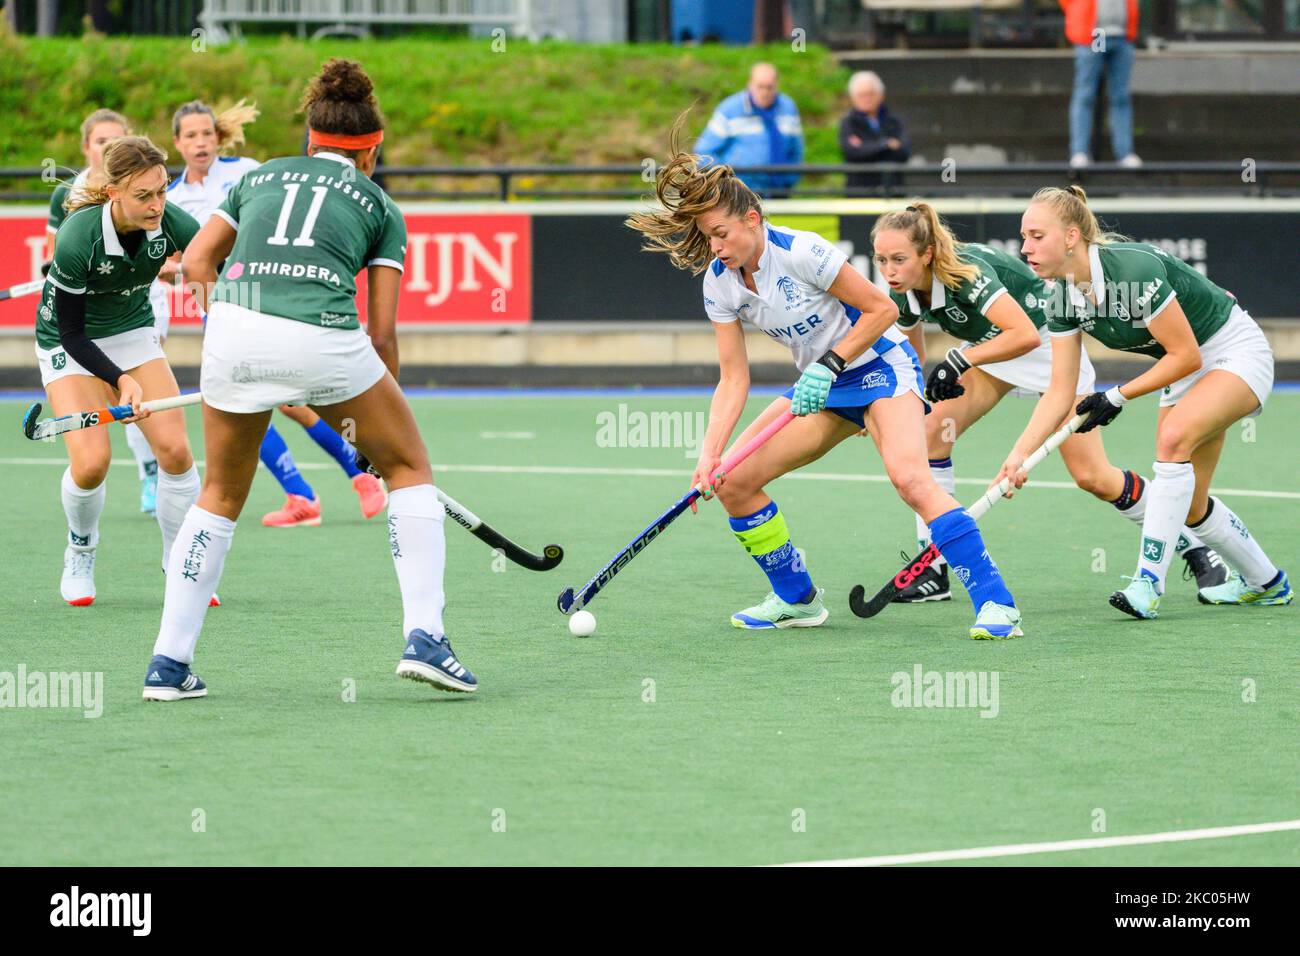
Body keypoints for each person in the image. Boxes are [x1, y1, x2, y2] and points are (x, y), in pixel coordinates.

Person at [143, 59, 474, 701]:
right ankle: (426, 638)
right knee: (409, 470)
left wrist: (242, 325)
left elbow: (202, 260)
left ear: (310, 139)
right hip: (328, 338)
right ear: (372, 150)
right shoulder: (380, 205)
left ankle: (167, 663)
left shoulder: (258, 178)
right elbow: (380, 335)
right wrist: (375, 442)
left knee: (218, 493)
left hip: (232, 334)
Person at [626, 121, 1023, 640]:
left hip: (880, 368)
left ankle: (996, 603)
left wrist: (831, 363)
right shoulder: (719, 285)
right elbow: (732, 379)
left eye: (722, 233)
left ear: (752, 218)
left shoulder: (802, 252)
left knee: (910, 478)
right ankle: (797, 599)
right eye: (707, 237)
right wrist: (709, 452)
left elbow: (881, 310)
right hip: (825, 387)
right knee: (733, 481)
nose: (716, 247)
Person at [872, 202, 1228, 603]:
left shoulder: (968, 275)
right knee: (929, 432)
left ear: (927, 254)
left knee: (1093, 477)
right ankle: (932, 569)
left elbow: (1022, 334)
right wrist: (916, 395)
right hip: (993, 350)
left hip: (1045, 343)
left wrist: (959, 359)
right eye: (882, 260)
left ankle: (1194, 544)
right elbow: (911, 357)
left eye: (898, 259)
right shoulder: (902, 291)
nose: (889, 271)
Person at [995, 186, 1290, 619]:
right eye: (1024, 236)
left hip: (1230, 349)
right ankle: (1268, 583)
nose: (1026, 248)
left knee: (1171, 442)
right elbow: (1061, 389)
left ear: (1072, 236)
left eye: (1037, 236)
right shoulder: (1060, 295)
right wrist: (1017, 455)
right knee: (1191, 506)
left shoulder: (1130, 270)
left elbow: (1187, 354)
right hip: (1181, 364)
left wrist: (1115, 395)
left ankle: (1147, 583)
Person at [168, 98, 387, 527]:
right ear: (177, 143)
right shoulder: (172, 196)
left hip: (260, 295)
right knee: (274, 403)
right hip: (217, 301)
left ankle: (331, 484)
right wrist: (173, 272)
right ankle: (318, 489)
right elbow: (188, 261)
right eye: (191, 136)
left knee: (263, 401)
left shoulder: (250, 171)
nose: (201, 143)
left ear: (219, 137)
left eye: (207, 134)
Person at [36, 136, 214, 609]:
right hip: (69, 341)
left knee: (176, 451)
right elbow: (73, 334)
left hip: (132, 329)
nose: (157, 205)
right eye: (143, 196)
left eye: (161, 191)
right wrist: (121, 380)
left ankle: (178, 561)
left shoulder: (177, 225)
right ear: (113, 192)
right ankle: (81, 549)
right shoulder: (79, 237)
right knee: (92, 464)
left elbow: (209, 289)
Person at [46, 109, 170, 515]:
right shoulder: (70, 201)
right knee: (92, 460)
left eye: (118, 139)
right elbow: (56, 259)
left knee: (160, 427)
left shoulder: (151, 193)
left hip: (135, 313)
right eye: (102, 141)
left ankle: (150, 469)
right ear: (87, 148)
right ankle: (80, 546)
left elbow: (201, 254)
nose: (111, 147)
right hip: (82, 323)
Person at [694, 63, 804, 199]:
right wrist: (726, 183)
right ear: (750, 84)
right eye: (760, 87)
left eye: (769, 87)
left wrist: (789, 179)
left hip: (779, 191)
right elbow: (704, 152)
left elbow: (796, 151)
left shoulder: (788, 108)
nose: (765, 92)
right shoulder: (729, 109)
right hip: (739, 195)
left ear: (777, 85)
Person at [1062, 0, 1142, 169]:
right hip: (1097, 34)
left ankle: (1125, 153)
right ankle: (1079, 152)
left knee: (1120, 96)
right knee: (1086, 93)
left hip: (1122, 35)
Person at [839, 71, 910, 195]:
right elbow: (852, 152)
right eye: (861, 95)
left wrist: (866, 146)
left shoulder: (894, 121)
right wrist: (886, 144)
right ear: (853, 98)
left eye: (870, 94)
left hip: (892, 192)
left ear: (881, 95)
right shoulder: (848, 122)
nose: (867, 99)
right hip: (860, 195)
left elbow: (904, 152)